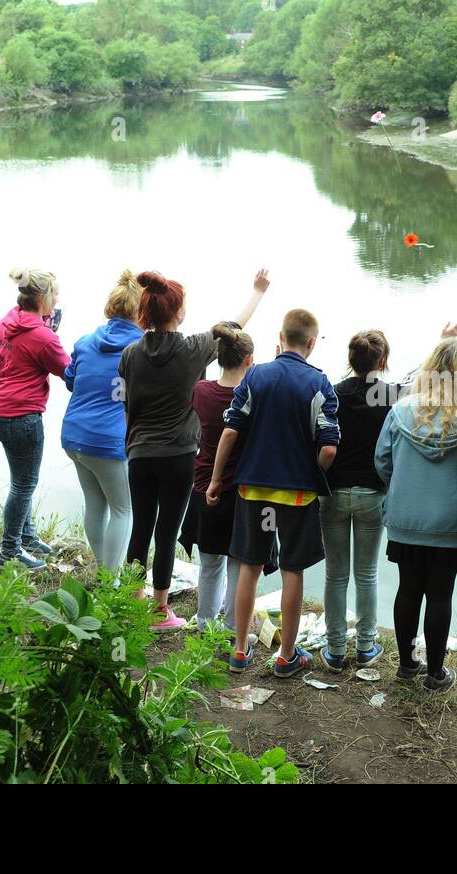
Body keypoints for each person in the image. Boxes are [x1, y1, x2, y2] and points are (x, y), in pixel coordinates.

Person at [121, 268, 269, 631]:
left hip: (139, 453)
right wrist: (258, 292)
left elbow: (128, 405)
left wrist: (133, 442)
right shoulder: (191, 349)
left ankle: (130, 603)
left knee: (140, 528)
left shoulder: (129, 353)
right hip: (177, 456)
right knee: (166, 532)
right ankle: (159, 611)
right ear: (178, 312)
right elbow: (233, 327)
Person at [322, 322, 457, 674]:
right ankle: (367, 646)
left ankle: (336, 650)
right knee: (367, 574)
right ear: (383, 360)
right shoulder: (392, 396)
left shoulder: (332, 393)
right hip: (372, 495)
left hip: (334, 493)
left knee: (335, 575)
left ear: (350, 359)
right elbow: (427, 377)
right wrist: (444, 341)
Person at [209, 308, 339, 677]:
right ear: (312, 343)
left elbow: (231, 430)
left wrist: (217, 480)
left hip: (252, 490)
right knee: (292, 570)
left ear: (279, 338)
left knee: (249, 565)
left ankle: (239, 650)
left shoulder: (255, 376)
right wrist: (311, 474)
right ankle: (286, 656)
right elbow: (329, 448)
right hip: (297, 496)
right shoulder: (319, 384)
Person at [375, 336, 457, 691]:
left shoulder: (401, 411)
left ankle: (406, 664)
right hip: (450, 524)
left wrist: (402, 488)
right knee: (441, 595)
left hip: (405, 519)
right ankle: (435, 674)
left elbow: (382, 462)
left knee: (407, 589)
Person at [0, 268, 70, 569]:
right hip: (22, 417)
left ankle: (28, 537)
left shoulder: (0, 324)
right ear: (43, 298)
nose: (57, 300)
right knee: (24, 484)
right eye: (55, 295)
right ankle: (10, 551)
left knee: (21, 479)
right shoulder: (43, 337)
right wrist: (53, 338)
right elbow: (69, 374)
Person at [60, 270, 143, 572]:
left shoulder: (85, 342)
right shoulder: (143, 348)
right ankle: (113, 583)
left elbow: (70, 380)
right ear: (141, 311)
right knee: (124, 510)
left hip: (74, 435)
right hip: (110, 442)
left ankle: (103, 569)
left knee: (96, 505)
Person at [177, 322, 255, 636]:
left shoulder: (201, 391)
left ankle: (205, 623)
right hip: (242, 489)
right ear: (249, 359)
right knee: (238, 562)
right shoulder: (252, 396)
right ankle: (234, 627)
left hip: (203, 483)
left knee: (210, 563)